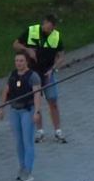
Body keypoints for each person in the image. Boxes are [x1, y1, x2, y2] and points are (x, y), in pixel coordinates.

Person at [13, 14, 65, 143]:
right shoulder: (32, 31)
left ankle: (58, 131)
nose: (50, 30)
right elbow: (15, 45)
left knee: (53, 100)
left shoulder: (56, 36)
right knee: (35, 103)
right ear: (45, 23)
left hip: (47, 73)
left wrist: (53, 69)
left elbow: (62, 56)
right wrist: (27, 49)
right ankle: (40, 131)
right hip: (32, 73)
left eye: (53, 28)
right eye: (49, 27)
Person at [0, 53, 42, 181]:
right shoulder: (13, 75)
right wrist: (1, 108)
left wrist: (37, 112)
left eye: (21, 61)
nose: (19, 63)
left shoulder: (33, 76)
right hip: (14, 110)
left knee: (27, 140)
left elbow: (37, 94)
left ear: (26, 62)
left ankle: (28, 170)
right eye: (17, 61)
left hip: (27, 111)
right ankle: (22, 167)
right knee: (18, 141)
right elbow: (6, 91)